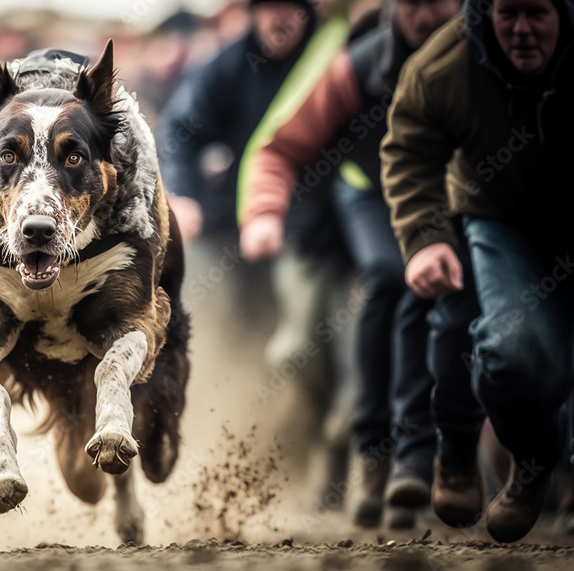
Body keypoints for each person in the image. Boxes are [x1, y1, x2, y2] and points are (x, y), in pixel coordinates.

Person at [241, 0, 463, 528]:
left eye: (439, 3)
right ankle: (369, 456)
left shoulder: (479, 57)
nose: (426, 15)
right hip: (366, 203)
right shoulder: (356, 61)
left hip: (458, 204)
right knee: (390, 281)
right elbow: (280, 145)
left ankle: (429, 461)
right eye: (412, 4)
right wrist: (263, 213)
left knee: (451, 313)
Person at [382, 0, 573, 542]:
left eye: (537, 13)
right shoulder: (442, 65)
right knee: (513, 353)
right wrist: (424, 240)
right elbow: (408, 151)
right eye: (507, 14)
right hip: (497, 218)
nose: (521, 30)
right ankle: (523, 461)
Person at [159, 0, 361, 506]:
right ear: (251, 13)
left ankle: (325, 452)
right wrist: (182, 196)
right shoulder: (226, 66)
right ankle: (223, 454)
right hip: (227, 229)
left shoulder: (337, 56)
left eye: (289, 5)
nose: (279, 18)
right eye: (267, 6)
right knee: (210, 332)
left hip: (313, 232)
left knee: (307, 349)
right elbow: (180, 133)